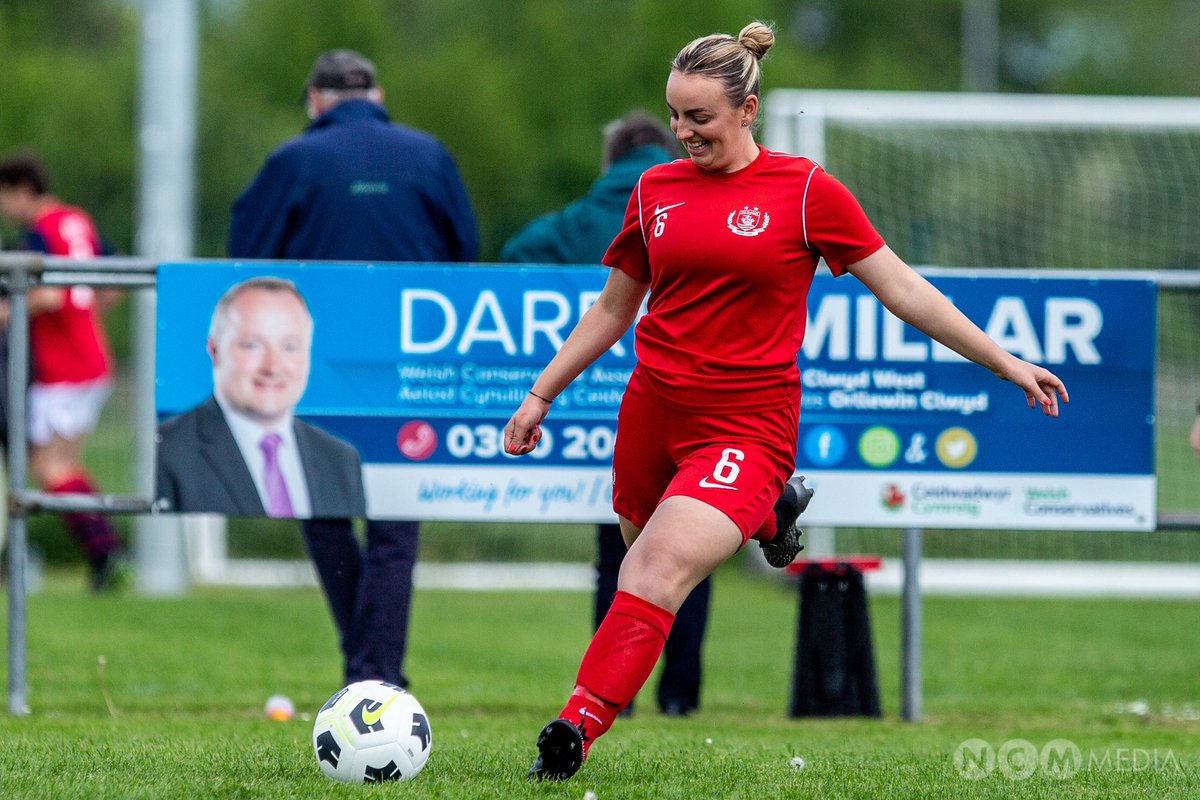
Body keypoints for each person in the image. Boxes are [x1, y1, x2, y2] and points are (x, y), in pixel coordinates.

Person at [505, 22, 1069, 781]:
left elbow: (903, 289)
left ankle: (573, 731)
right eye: (675, 115)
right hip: (652, 411)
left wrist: (1005, 361)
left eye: (699, 117)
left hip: (747, 423)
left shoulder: (805, 191)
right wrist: (542, 393)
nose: (683, 132)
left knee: (654, 572)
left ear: (748, 109)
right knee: (638, 561)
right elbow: (613, 309)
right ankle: (772, 511)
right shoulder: (654, 189)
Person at [227, 49, 480, 689]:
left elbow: (242, 261)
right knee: (397, 523)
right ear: (378, 93)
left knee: (322, 512)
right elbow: (466, 254)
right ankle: (379, 673)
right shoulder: (430, 156)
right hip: (411, 365)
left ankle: (368, 671)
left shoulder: (291, 161)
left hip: (313, 368)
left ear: (315, 100)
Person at [503, 111, 715, 718]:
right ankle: (681, 696)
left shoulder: (578, 221)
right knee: (690, 549)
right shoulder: (690, 199)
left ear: (610, 160)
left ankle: (613, 695)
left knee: (620, 550)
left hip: (609, 405)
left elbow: (516, 252)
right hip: (691, 402)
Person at [0, 152, 126, 591]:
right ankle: (106, 549)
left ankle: (106, 548)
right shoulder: (77, 221)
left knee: (48, 467)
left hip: (63, 366)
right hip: (90, 356)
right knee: (62, 463)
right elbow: (115, 273)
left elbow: (50, 295)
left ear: (20, 191)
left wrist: (8, 311)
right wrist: (88, 316)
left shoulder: (38, 234)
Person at [155, 276, 366, 518]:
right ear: (214, 350)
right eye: (252, 345)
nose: (273, 367)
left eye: (290, 347)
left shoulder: (341, 460)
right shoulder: (166, 452)